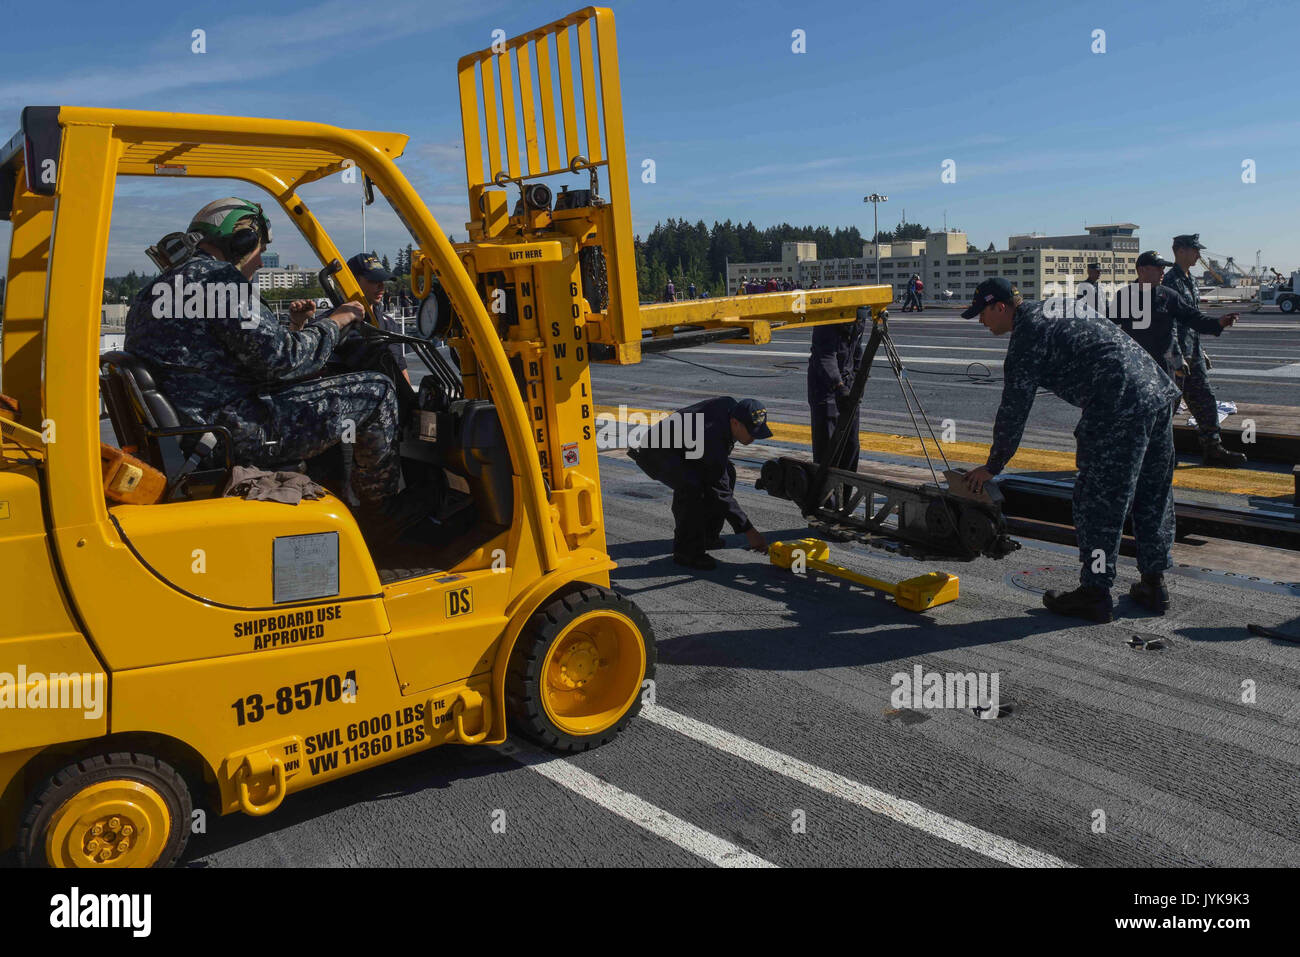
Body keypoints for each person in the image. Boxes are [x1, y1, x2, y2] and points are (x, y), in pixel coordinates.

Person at [125, 198, 401, 513]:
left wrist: (299, 329)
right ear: (242, 241)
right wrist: (340, 319)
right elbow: (286, 360)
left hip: (193, 432)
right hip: (234, 431)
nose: (259, 263)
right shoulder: (219, 281)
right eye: (259, 251)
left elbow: (243, 355)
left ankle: (341, 489)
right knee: (377, 391)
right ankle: (380, 514)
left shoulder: (153, 291)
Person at [960, 278, 1181, 622]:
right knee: (1152, 492)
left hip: (1117, 405)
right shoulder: (1060, 304)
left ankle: (1094, 592)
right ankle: (1154, 583)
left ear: (999, 307)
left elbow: (1014, 408)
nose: (981, 322)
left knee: (1100, 501)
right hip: (1157, 393)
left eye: (982, 314)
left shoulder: (1027, 335)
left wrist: (993, 465)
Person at [627, 397, 771, 570]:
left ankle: (707, 536)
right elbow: (720, 491)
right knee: (691, 488)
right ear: (735, 423)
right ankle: (686, 552)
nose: (754, 438)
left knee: (728, 473)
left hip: (684, 447)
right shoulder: (711, 436)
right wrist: (749, 531)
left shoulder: (731, 409)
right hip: (657, 452)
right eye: (752, 432)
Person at [1162, 234, 1245, 467]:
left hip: (1193, 353)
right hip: (1176, 357)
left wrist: (1201, 349)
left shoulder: (1190, 280)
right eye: (1194, 250)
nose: (1198, 255)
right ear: (1180, 251)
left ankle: (1213, 449)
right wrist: (1176, 356)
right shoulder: (1170, 282)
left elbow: (1192, 320)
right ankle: (1162, 456)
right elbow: (1170, 324)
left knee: (1205, 402)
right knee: (1168, 407)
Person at [1111, 251, 1236, 399]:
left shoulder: (1168, 296)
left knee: (1165, 412)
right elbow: (1109, 326)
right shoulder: (1125, 296)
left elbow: (1192, 318)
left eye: (1163, 268)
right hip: (1135, 367)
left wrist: (1217, 323)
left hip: (1163, 369)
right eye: (1158, 268)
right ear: (1142, 270)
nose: (1162, 272)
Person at [808, 309, 867, 476]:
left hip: (847, 383)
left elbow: (857, 351)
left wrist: (858, 381)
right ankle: (826, 497)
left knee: (851, 445)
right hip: (824, 387)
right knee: (827, 447)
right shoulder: (826, 319)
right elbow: (825, 356)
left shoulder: (859, 318)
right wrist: (838, 385)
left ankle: (845, 492)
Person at [341, 253, 412, 387]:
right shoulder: (334, 324)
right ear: (353, 281)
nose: (381, 286)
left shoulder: (389, 324)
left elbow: (401, 369)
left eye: (382, 280)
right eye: (373, 280)